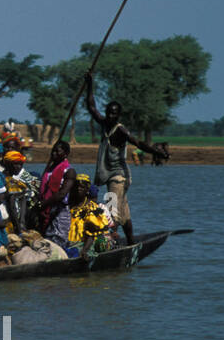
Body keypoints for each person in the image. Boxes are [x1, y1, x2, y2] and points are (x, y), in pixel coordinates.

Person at [84, 73, 168, 245]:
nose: (110, 116)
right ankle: (130, 242)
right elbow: (91, 107)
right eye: (108, 112)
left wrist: (157, 153)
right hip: (109, 175)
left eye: (114, 114)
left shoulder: (120, 130)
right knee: (124, 213)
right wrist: (89, 84)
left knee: (111, 209)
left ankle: (109, 243)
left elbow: (138, 142)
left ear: (119, 115)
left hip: (119, 176)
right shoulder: (104, 123)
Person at [37, 140, 75, 233]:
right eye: (53, 151)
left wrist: (44, 203)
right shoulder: (49, 169)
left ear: (65, 154)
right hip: (44, 209)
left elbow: (62, 194)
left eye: (57, 151)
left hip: (58, 210)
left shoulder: (69, 171)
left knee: (58, 238)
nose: (54, 154)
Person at [0, 150, 39, 231]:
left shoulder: (22, 178)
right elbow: (11, 205)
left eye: (21, 164)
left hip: (20, 219)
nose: (19, 167)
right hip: (7, 219)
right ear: (7, 164)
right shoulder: (4, 179)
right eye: (16, 164)